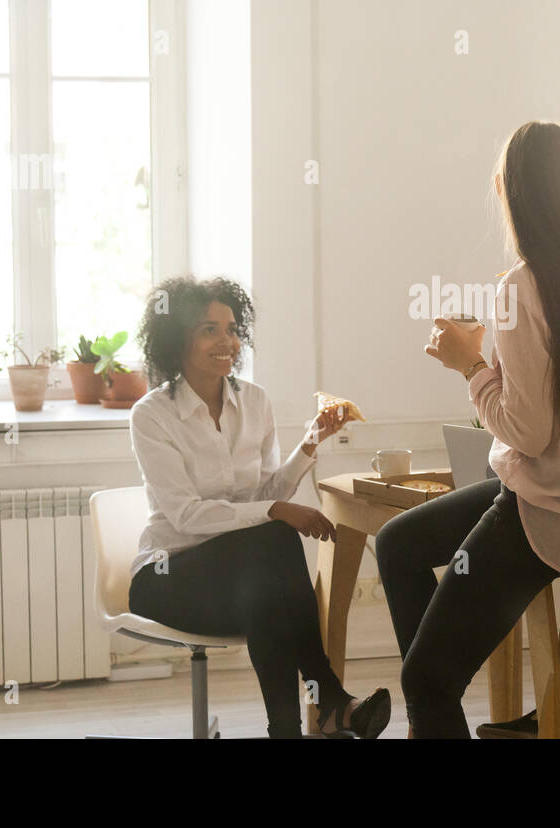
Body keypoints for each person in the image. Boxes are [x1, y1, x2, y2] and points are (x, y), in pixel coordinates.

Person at [375, 121, 560, 739]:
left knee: (423, 681)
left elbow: (524, 432)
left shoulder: (522, 288)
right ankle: (442, 660)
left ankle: (436, 682)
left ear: (513, 193)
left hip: (549, 509)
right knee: (398, 545)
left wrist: (469, 364)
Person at [126, 275, 391, 739]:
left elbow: (269, 493)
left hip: (243, 584)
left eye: (231, 328)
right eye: (209, 329)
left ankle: (289, 728)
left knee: (267, 589)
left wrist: (311, 443)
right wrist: (274, 512)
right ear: (176, 339)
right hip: (168, 578)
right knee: (274, 544)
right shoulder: (152, 415)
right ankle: (328, 702)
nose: (226, 340)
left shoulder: (255, 401)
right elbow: (187, 515)